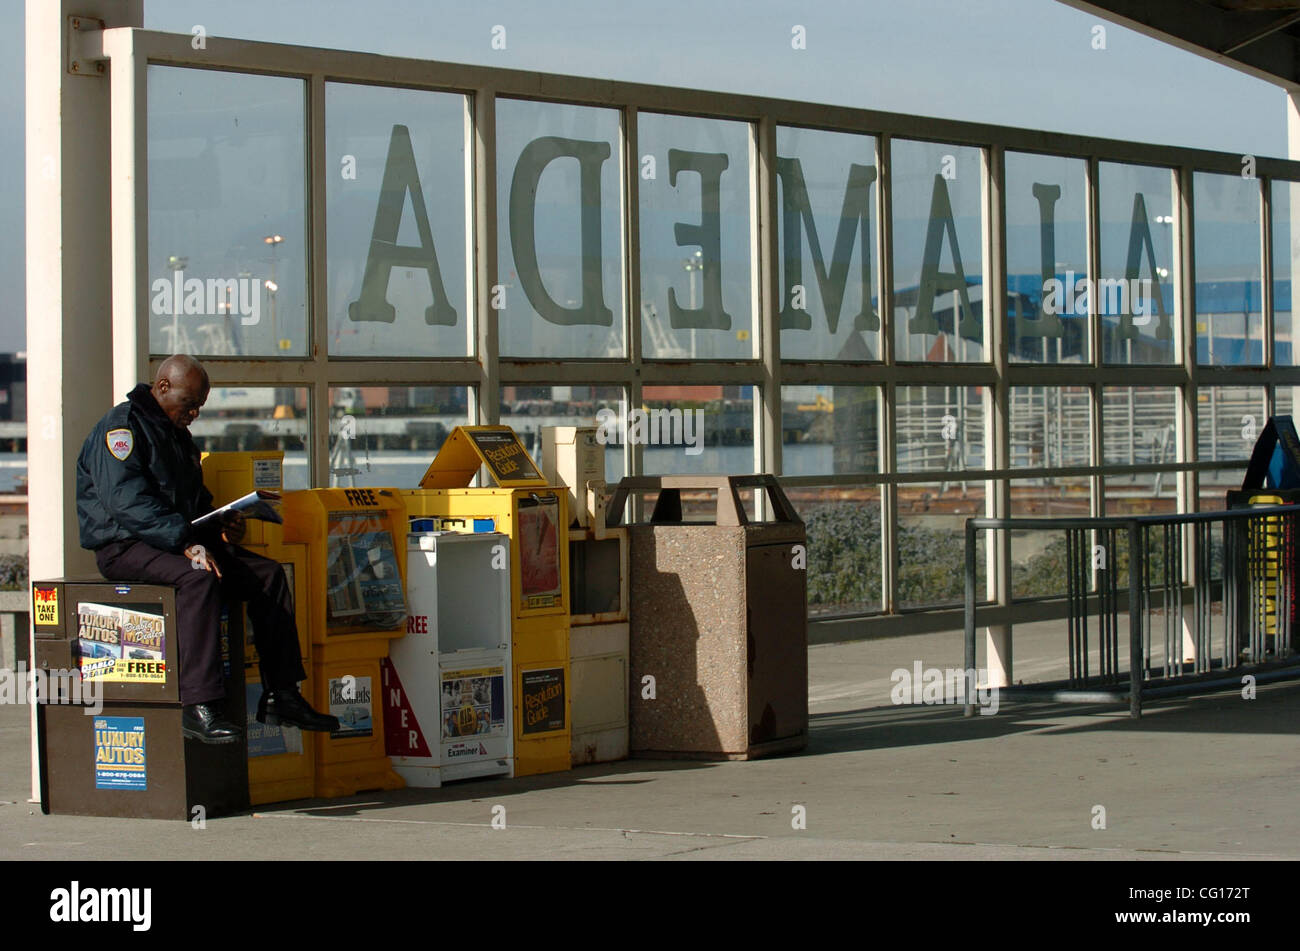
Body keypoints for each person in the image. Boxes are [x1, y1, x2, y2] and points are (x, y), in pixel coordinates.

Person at [75, 354, 339, 743]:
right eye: (190, 403)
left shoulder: (175, 434)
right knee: (198, 578)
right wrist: (185, 543)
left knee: (268, 576)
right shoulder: (122, 429)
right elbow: (125, 503)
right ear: (163, 387)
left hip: (172, 540)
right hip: (124, 544)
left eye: (200, 405)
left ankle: (282, 694)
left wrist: (221, 521)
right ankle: (198, 707)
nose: (195, 413)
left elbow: (192, 502)